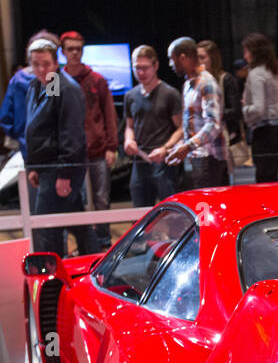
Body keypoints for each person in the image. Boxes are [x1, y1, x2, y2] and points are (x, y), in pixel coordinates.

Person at [23, 32, 88, 256]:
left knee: (47, 227)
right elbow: (39, 127)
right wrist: (33, 167)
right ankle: (90, 266)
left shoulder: (65, 87)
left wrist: (64, 173)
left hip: (60, 168)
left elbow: (70, 132)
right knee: (78, 224)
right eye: (36, 64)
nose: (41, 69)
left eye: (46, 64)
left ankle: (50, 278)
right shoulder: (40, 85)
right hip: (46, 167)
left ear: (56, 62)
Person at [60, 31, 118, 252]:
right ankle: (84, 245)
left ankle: (103, 243)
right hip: (70, 153)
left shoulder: (97, 79)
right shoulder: (55, 79)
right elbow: (50, 113)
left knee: (102, 198)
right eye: (70, 49)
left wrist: (112, 146)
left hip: (97, 150)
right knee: (75, 201)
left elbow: (109, 114)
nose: (74, 53)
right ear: (63, 51)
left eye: (78, 48)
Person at [122, 45, 182, 207]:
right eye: (137, 68)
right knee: (140, 214)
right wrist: (129, 140)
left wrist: (165, 148)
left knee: (172, 212)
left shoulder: (170, 94)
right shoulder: (130, 95)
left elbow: (181, 128)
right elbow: (129, 126)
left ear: (155, 66)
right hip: (140, 161)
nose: (141, 73)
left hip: (164, 161)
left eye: (145, 68)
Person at [167, 36, 229, 190]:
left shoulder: (206, 83)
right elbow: (192, 125)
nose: (170, 64)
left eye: (171, 59)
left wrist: (187, 147)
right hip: (198, 158)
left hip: (210, 159)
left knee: (209, 208)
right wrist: (180, 146)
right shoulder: (188, 83)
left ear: (182, 58)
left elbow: (213, 125)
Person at [241, 32, 278, 184]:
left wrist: (243, 109)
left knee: (264, 181)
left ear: (254, 52)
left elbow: (259, 108)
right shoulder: (276, 71)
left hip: (267, 134)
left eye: (246, 51)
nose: (244, 56)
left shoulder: (257, 74)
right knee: (271, 180)